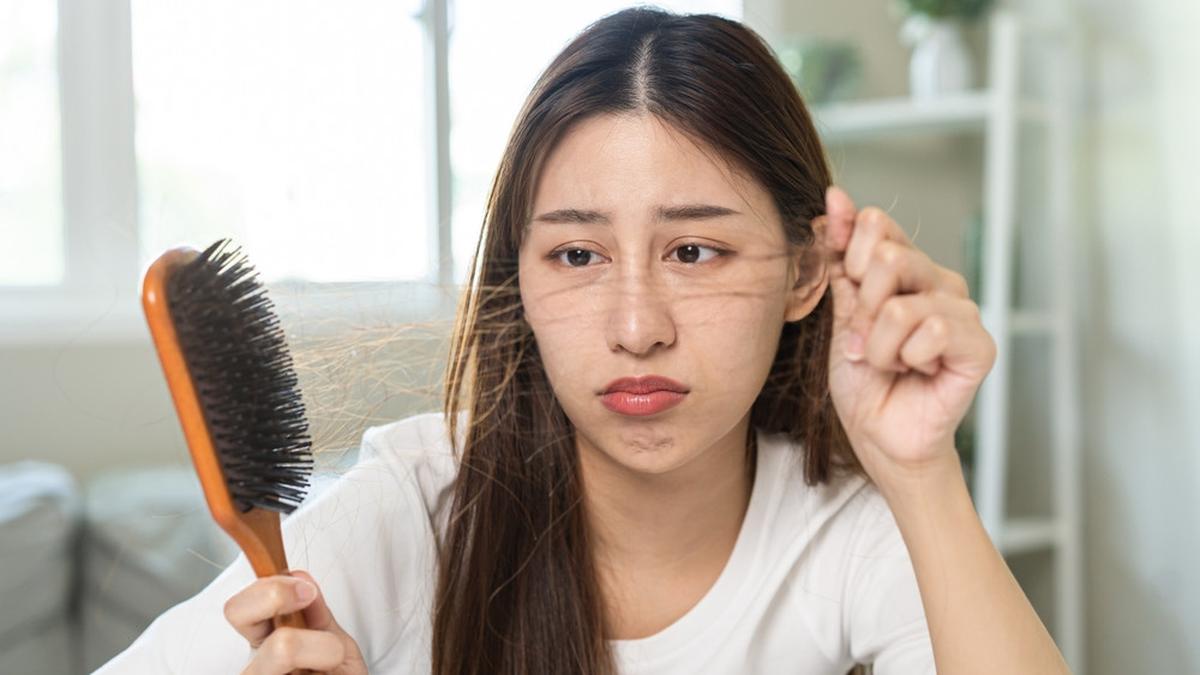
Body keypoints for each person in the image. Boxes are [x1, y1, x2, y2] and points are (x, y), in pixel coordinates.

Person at [95, 6, 1070, 674]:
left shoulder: (849, 534)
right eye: (575, 256)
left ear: (807, 271)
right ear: (515, 275)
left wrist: (922, 475)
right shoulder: (413, 507)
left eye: (694, 250)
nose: (637, 328)